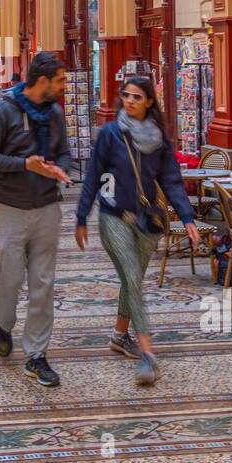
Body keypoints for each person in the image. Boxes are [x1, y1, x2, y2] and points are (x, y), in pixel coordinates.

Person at [76, 77, 199, 386]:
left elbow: (171, 179)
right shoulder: (109, 134)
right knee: (132, 278)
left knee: (132, 282)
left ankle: (119, 336)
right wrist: (81, 216)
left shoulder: (159, 139)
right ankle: (148, 355)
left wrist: (187, 217)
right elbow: (93, 175)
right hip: (113, 216)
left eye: (137, 96)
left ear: (148, 102)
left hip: (148, 221)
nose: (130, 100)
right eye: (126, 95)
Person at [0, 52, 76, 388]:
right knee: (10, 280)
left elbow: (64, 151)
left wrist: (59, 167)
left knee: (43, 283)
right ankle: (4, 325)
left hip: (47, 207)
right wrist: (23, 165)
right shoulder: (4, 111)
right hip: (11, 209)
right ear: (42, 81)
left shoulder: (55, 114)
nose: (63, 87)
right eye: (59, 80)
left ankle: (37, 355)